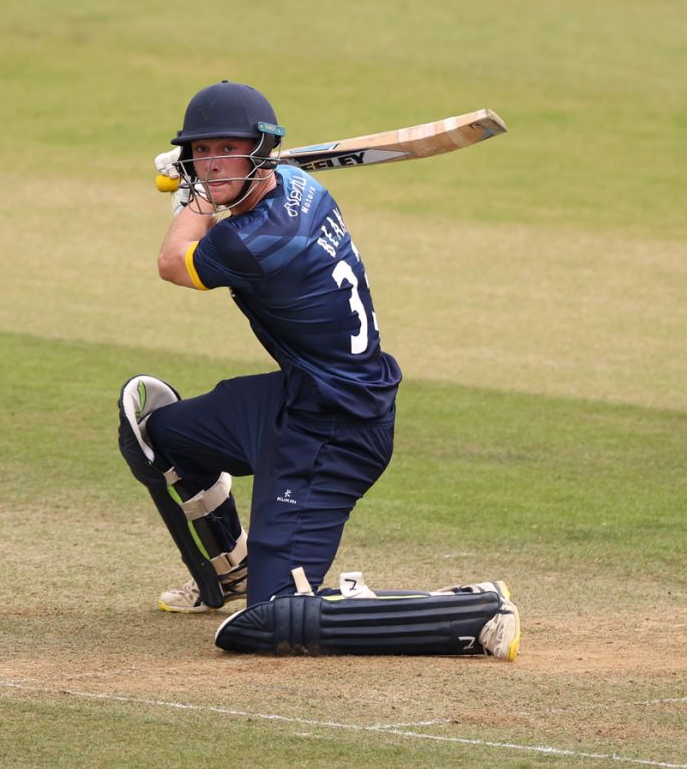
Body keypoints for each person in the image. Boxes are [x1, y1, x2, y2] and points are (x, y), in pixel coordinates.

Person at [116, 81, 520, 660]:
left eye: (227, 149)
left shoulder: (258, 242)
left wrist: (191, 196)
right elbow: (228, 210)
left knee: (270, 620)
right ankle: (234, 565)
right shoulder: (301, 185)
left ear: (261, 149)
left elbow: (171, 263)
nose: (212, 162)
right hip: (298, 398)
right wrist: (208, 183)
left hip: (336, 433)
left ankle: (472, 611)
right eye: (200, 151)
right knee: (160, 435)